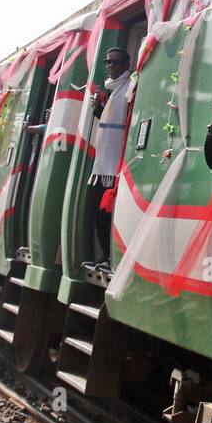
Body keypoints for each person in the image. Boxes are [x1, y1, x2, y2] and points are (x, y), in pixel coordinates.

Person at [86, 47, 132, 270]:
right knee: (99, 213)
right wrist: (98, 110)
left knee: (103, 214)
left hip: (113, 166)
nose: (109, 66)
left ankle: (108, 256)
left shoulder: (128, 87)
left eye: (114, 62)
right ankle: (105, 255)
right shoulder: (115, 90)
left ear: (125, 66)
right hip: (105, 166)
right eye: (107, 62)